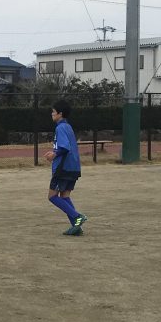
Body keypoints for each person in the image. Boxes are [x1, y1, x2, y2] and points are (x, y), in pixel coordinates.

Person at [44, 99, 88, 236]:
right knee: (64, 196)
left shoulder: (60, 128)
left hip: (63, 168)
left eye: (53, 112)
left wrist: (54, 154)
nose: (52, 114)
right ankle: (76, 227)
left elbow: (64, 147)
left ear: (60, 114)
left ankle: (78, 216)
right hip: (74, 167)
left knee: (52, 196)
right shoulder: (68, 127)